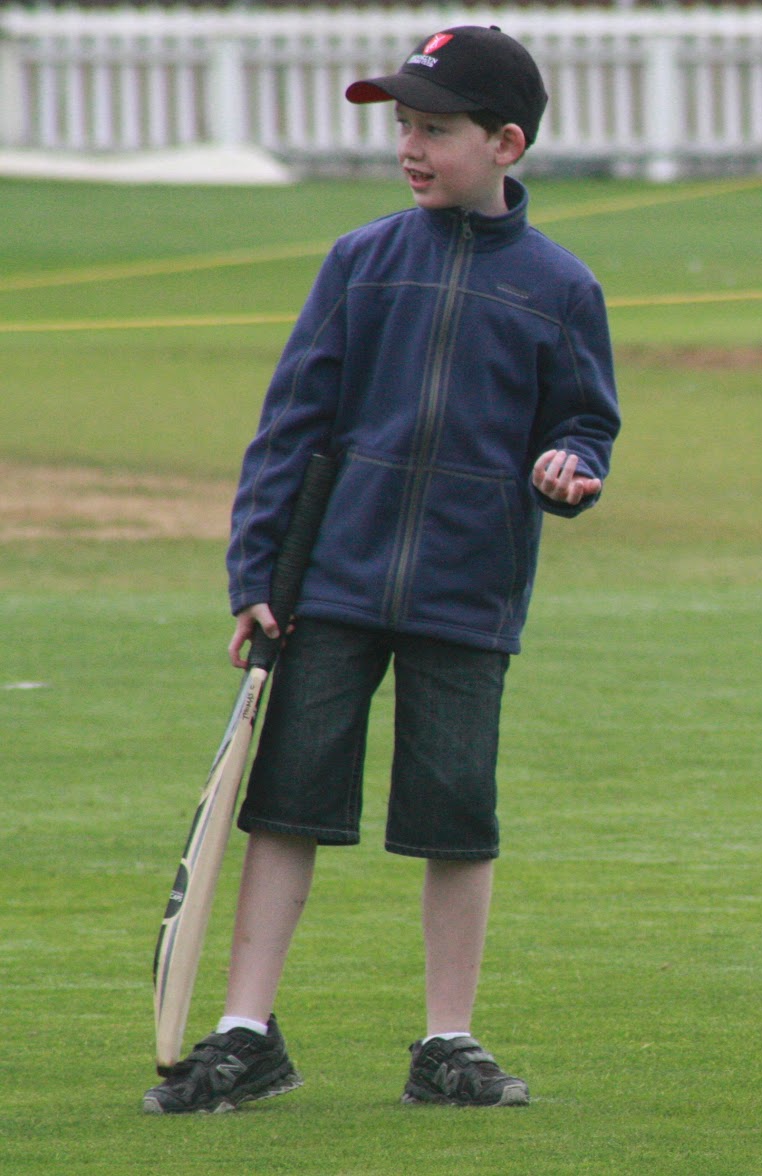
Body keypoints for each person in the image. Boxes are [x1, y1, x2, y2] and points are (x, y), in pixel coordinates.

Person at [144, 25, 621, 1114]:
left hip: (469, 595)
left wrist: (571, 467)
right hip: (331, 590)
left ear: (506, 144)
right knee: (287, 810)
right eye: (402, 125)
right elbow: (289, 428)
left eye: (435, 129)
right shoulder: (360, 263)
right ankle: (243, 1032)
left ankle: (448, 1042)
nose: (410, 145)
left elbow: (586, 423)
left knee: (455, 817)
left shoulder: (561, 288)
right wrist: (257, 572)